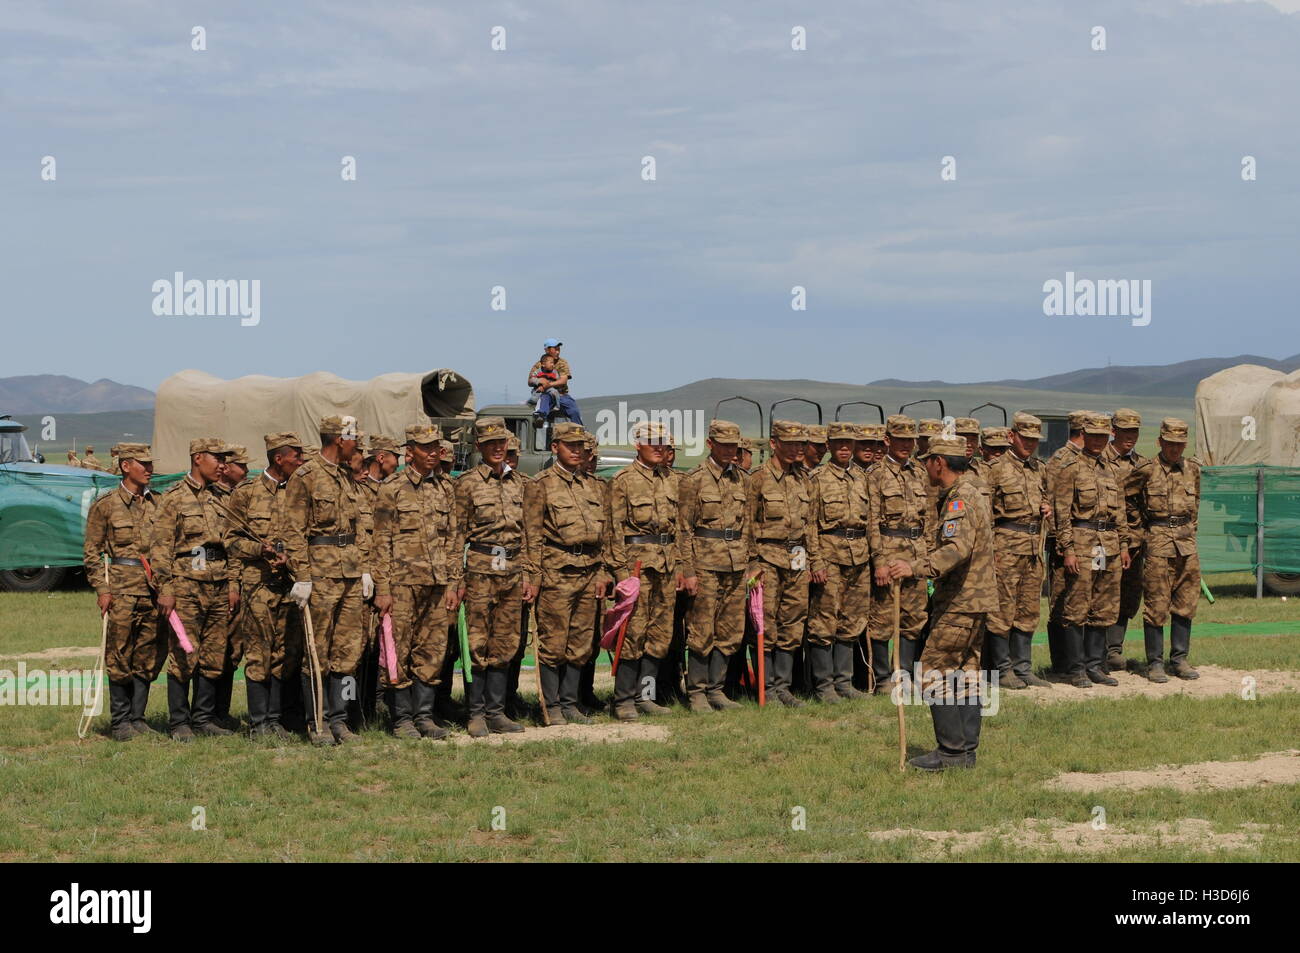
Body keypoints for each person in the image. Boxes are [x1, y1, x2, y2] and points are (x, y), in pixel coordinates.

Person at [885, 435, 994, 771]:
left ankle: (950, 752)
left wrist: (914, 567)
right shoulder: (971, 491)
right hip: (975, 598)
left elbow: (955, 550)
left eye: (928, 459)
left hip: (961, 600)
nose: (926, 465)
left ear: (939, 463)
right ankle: (965, 752)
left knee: (933, 670)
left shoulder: (960, 499)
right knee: (967, 673)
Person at [280, 415, 371, 746]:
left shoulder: (347, 477)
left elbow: (358, 527)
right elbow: (292, 530)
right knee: (317, 651)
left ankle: (340, 720)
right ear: (338, 440)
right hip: (320, 575)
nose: (357, 445)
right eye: (354, 439)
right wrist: (301, 576)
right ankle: (316, 721)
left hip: (348, 573)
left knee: (348, 651)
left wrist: (364, 568)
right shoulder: (306, 476)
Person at [372, 425, 461, 739]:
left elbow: (452, 540)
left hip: (437, 585)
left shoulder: (446, 488)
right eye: (426, 448)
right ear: (410, 452)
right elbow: (380, 543)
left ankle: (425, 717)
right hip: (402, 586)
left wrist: (453, 583)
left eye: (436, 446)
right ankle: (402, 720)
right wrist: (382, 589)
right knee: (400, 652)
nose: (433, 452)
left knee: (433, 651)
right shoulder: (392, 488)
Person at [452, 416, 533, 736]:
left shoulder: (521, 484)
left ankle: (496, 712)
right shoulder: (467, 483)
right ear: (479, 447)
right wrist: (456, 579)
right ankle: (475, 714)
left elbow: (528, 533)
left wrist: (528, 573)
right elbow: (456, 534)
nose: (498, 449)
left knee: (506, 641)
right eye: (490, 444)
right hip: (480, 569)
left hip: (512, 570)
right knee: (477, 643)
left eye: (501, 443)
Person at [523, 422, 609, 725]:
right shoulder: (540, 484)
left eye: (580, 447)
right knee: (554, 642)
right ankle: (552, 705)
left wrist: (602, 571)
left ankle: (571, 703)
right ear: (555, 447)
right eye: (570, 445)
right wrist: (532, 576)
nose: (576, 451)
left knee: (581, 642)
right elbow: (531, 536)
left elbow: (605, 534)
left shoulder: (595, 485)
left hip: (589, 571)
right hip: (556, 571)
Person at [149, 437, 234, 741]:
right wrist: (165, 588)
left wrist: (232, 583)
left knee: (214, 654)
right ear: (198, 458)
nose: (222, 464)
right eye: (217, 458)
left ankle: (203, 718)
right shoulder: (173, 497)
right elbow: (160, 547)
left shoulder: (221, 497)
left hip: (219, 582)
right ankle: (179, 722)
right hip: (186, 585)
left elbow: (231, 545)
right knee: (185, 653)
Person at [223, 433, 304, 739]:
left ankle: (275, 718)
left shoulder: (299, 491)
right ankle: (259, 724)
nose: (300, 461)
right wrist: (261, 550)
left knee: (286, 653)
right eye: (295, 456)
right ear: (279, 458)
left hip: (290, 584)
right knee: (260, 653)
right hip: (258, 585)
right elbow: (230, 540)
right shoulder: (247, 492)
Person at [83, 442, 166, 740]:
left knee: (149, 654)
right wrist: (102, 589)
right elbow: (91, 552)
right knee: (118, 654)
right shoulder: (106, 505)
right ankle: (120, 721)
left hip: (153, 591)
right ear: (125, 466)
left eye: (150, 463)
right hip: (120, 590)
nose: (149, 469)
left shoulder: (159, 503)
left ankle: (138, 716)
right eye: (142, 464)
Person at [607, 420, 684, 719]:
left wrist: (679, 564)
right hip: (635, 566)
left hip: (665, 566)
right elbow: (613, 531)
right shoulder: (623, 480)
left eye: (663, 441)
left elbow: (680, 528)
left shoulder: (672, 479)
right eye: (652, 441)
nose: (659, 446)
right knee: (633, 633)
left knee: (659, 633)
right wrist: (620, 573)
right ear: (637, 444)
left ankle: (646, 696)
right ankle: (623, 699)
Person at [1053, 413, 1130, 689]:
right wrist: (1068, 549)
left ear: (1108, 436)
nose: (1098, 441)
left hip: (1108, 544)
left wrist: (1123, 545)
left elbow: (1119, 510)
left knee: (1103, 606)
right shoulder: (1070, 467)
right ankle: (1076, 669)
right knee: (1077, 607)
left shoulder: (1111, 469)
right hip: (1082, 542)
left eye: (1102, 436)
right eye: (1093, 436)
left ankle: (1095, 665)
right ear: (1083, 435)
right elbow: (1061, 514)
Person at [746, 420, 820, 707]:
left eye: (800, 444)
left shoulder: (805, 479)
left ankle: (783, 688)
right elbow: (748, 525)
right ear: (774, 444)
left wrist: (814, 560)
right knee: (766, 622)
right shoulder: (758, 479)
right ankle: (765, 687)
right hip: (767, 556)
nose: (796, 450)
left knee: (793, 620)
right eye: (790, 444)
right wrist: (752, 562)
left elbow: (810, 524)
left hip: (798, 557)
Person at [677, 420, 749, 713]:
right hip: (705, 563)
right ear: (711, 444)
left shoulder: (743, 480)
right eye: (724, 445)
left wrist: (752, 563)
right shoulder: (693, 479)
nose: (730, 451)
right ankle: (696, 692)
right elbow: (683, 529)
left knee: (730, 630)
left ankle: (716, 690)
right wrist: (688, 571)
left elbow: (749, 527)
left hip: (736, 564)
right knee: (701, 630)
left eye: (734, 446)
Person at [1128, 418, 1201, 682]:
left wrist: (1190, 530)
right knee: (1157, 604)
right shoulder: (1146, 469)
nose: (1175, 449)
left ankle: (1180, 659)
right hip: (1158, 541)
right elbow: (1126, 498)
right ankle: (1155, 663)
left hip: (1187, 544)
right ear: (1160, 442)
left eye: (1179, 444)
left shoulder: (1192, 469)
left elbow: (1196, 504)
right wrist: (1138, 529)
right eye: (1170, 444)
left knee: (1186, 602)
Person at [984, 413, 1052, 689]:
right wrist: (990, 551)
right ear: (1012, 437)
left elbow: (1045, 496)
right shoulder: (995, 468)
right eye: (1026, 439)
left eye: (1035, 440)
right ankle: (1001, 670)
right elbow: (985, 514)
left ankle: (1023, 668)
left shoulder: (1039, 468)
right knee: (1002, 610)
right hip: (1006, 547)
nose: (1030, 445)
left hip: (1033, 547)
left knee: (1028, 609)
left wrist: (1047, 508)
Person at [866, 415, 931, 693]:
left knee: (914, 619)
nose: (906, 445)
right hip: (889, 554)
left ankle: (903, 674)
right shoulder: (876, 474)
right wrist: (879, 562)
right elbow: (871, 521)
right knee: (882, 620)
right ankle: (882, 678)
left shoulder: (919, 473)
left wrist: (926, 557)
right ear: (887, 440)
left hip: (916, 554)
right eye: (900, 440)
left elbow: (928, 519)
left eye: (910, 440)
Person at [806, 421, 871, 702]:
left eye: (849, 443)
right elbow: (808, 525)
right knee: (824, 622)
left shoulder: (862, 477)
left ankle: (844, 683)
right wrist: (815, 561)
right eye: (839, 443)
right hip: (829, 553)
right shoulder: (817, 477)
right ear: (829, 446)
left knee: (852, 620)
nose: (845, 448)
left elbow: (873, 520)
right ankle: (824, 686)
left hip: (859, 555)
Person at [1044, 411, 1091, 673]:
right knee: (1063, 603)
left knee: (1080, 601)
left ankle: (1079, 659)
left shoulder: (1084, 460)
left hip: (1079, 540)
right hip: (1063, 541)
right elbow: (1056, 504)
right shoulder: (1063, 459)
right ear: (1083, 432)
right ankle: (1062, 662)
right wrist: (1063, 545)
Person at [212, 444, 251, 729]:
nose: (246, 471)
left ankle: (220, 712)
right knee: (212, 649)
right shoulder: (209, 498)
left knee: (232, 650)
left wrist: (235, 583)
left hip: (234, 581)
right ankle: (204, 713)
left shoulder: (240, 497)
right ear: (227, 467)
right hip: (210, 582)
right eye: (242, 466)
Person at [1104, 409, 1146, 670]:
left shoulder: (1142, 464)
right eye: (1125, 431)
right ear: (1113, 431)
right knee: (1103, 594)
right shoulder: (1099, 461)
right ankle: (1098, 652)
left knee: (1129, 595)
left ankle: (1115, 649)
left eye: (1134, 432)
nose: (1130, 437)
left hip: (1136, 541)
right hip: (1105, 540)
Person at [528, 338, 583, 425]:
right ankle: (540, 418)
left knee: (574, 411)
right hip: (545, 395)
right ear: (547, 350)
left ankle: (579, 432)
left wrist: (547, 385)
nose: (558, 352)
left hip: (561, 395)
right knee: (544, 402)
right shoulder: (539, 364)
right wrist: (539, 381)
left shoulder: (562, 363)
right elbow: (530, 381)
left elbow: (563, 380)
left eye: (558, 349)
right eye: (555, 349)